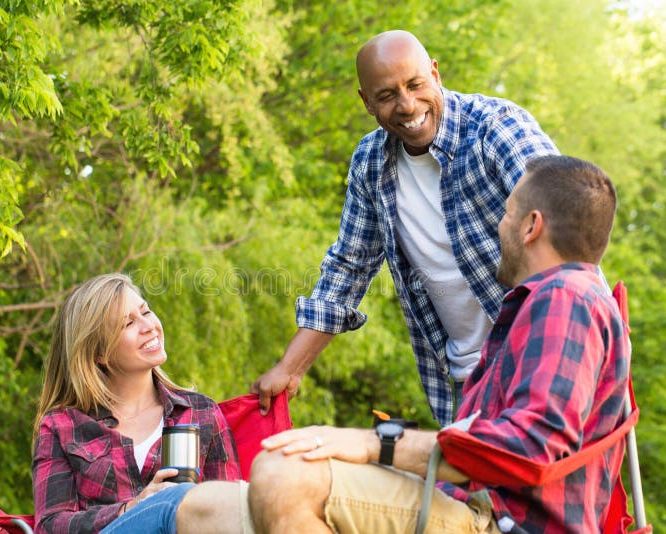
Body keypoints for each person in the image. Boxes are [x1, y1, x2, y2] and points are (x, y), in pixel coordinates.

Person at [249, 155, 629, 533]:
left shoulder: (566, 298)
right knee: (206, 507)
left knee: (287, 473)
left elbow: (528, 448)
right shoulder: (546, 302)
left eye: (508, 213)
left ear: (531, 226)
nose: (500, 225)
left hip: (502, 522)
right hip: (468, 504)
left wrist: (375, 443)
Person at [252, 30, 559, 425]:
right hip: (467, 385)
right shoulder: (371, 163)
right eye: (386, 95)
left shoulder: (495, 129)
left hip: (544, 361)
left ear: (435, 73)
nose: (407, 105)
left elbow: (564, 219)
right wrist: (290, 369)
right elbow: (349, 267)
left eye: (415, 85)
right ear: (367, 102)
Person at [32, 273, 248, 533]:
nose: (149, 326)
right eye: (128, 324)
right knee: (174, 499)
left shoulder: (200, 413)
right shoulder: (62, 425)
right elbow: (49, 526)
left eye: (146, 311)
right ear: (99, 354)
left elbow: (231, 513)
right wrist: (133, 508)